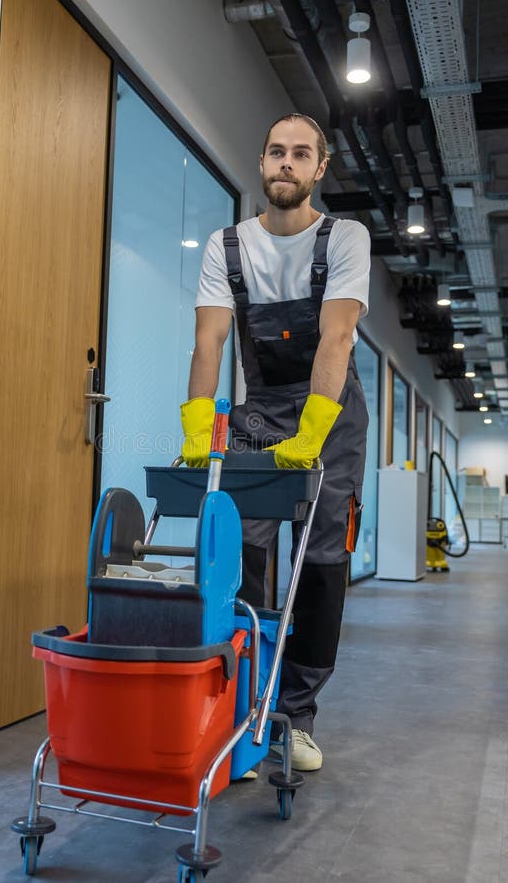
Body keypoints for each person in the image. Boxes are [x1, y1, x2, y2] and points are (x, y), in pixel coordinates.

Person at [180, 114, 370, 772]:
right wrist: (199, 427)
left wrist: (312, 434)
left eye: (300, 154)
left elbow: (337, 338)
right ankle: (246, 701)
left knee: (318, 561)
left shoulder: (344, 238)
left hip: (332, 415)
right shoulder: (226, 246)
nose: (286, 162)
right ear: (261, 164)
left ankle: (296, 717)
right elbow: (210, 341)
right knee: (248, 552)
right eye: (275, 152)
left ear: (320, 169)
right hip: (259, 414)